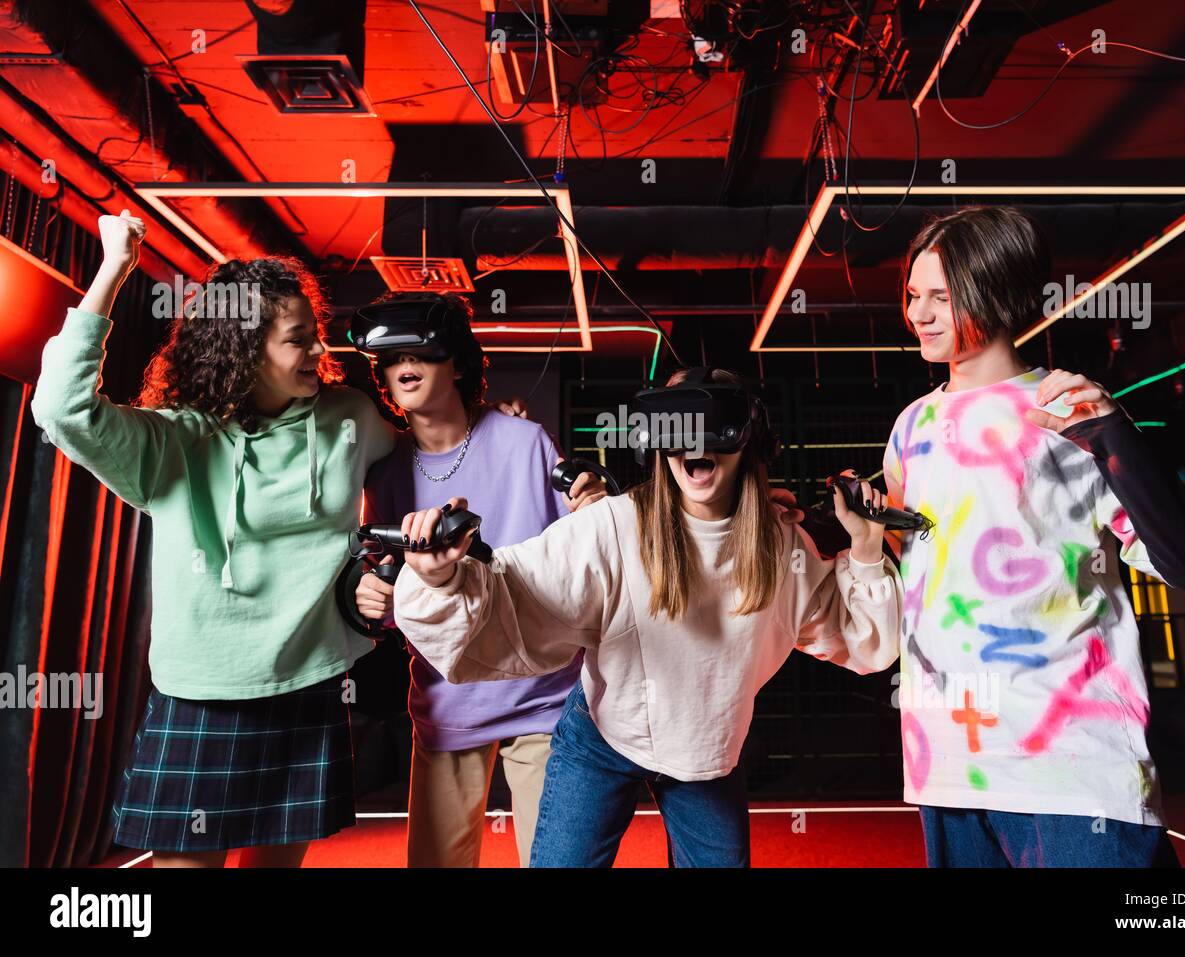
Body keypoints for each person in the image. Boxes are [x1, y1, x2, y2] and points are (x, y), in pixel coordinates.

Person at [390, 367, 904, 867]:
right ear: (657, 440)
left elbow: (859, 639)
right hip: (602, 733)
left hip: (706, 743)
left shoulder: (781, 546)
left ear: (748, 441)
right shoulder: (612, 527)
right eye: (677, 425)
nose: (694, 443)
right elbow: (514, 588)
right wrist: (440, 578)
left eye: (714, 425)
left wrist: (865, 544)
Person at [31, 212, 397, 867]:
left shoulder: (350, 418)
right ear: (246, 349)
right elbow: (60, 409)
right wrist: (115, 264)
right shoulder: (174, 442)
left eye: (317, 336)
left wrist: (378, 567)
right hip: (201, 692)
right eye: (297, 341)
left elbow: (418, 468)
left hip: (308, 684)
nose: (319, 352)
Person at [884, 205, 1185, 867]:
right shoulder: (909, 428)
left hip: (1073, 767)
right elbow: (917, 579)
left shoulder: (1070, 409)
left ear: (999, 294)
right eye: (912, 295)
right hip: (948, 765)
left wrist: (1114, 436)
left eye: (940, 297)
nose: (919, 314)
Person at [350, 291, 604, 867]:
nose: (403, 366)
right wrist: (375, 599)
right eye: (390, 359)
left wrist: (596, 506)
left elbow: (580, 553)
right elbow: (394, 591)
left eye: (421, 352)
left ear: (459, 363)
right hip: (448, 698)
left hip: (543, 693)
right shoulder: (385, 470)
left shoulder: (527, 441)